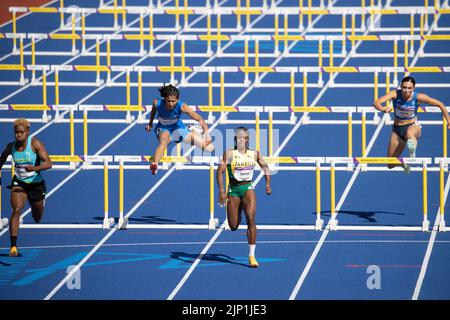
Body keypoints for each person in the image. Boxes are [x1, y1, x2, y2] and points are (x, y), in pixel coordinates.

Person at [216, 127, 272, 268]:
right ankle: (239, 208)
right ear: (236, 139)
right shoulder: (229, 153)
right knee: (233, 226)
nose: (244, 140)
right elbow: (219, 172)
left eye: (246, 138)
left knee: (251, 219)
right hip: (233, 190)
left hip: (247, 188)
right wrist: (222, 191)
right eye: (241, 138)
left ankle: (252, 255)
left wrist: (267, 184)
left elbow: (265, 167)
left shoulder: (254, 153)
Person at [373, 76, 450, 171]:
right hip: (397, 130)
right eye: (404, 87)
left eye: (409, 88)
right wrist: (383, 109)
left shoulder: (418, 97)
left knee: (410, 133)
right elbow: (376, 102)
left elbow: (440, 104)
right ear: (401, 86)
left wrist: (449, 121)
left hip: (413, 126)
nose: (406, 90)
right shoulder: (394, 94)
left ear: (413, 88)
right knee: (390, 164)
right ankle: (403, 164)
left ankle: (412, 150)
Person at [0, 119, 52, 257]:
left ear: (27, 132)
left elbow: (48, 163)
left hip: (36, 184)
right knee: (16, 210)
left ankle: (40, 201)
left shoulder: (35, 144)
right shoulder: (11, 146)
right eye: (16, 132)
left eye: (21, 132)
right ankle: (13, 246)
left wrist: (34, 168)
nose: (19, 135)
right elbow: (2, 158)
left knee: (37, 217)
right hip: (19, 183)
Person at [145, 84, 214, 174]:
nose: (171, 104)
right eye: (168, 101)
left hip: (178, 128)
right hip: (163, 128)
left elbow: (200, 119)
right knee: (165, 141)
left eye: (173, 101)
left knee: (210, 148)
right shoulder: (157, 103)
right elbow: (154, 110)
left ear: (178, 99)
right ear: (165, 99)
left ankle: (190, 129)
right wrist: (150, 123)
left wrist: (207, 136)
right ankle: (155, 165)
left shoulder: (182, 106)